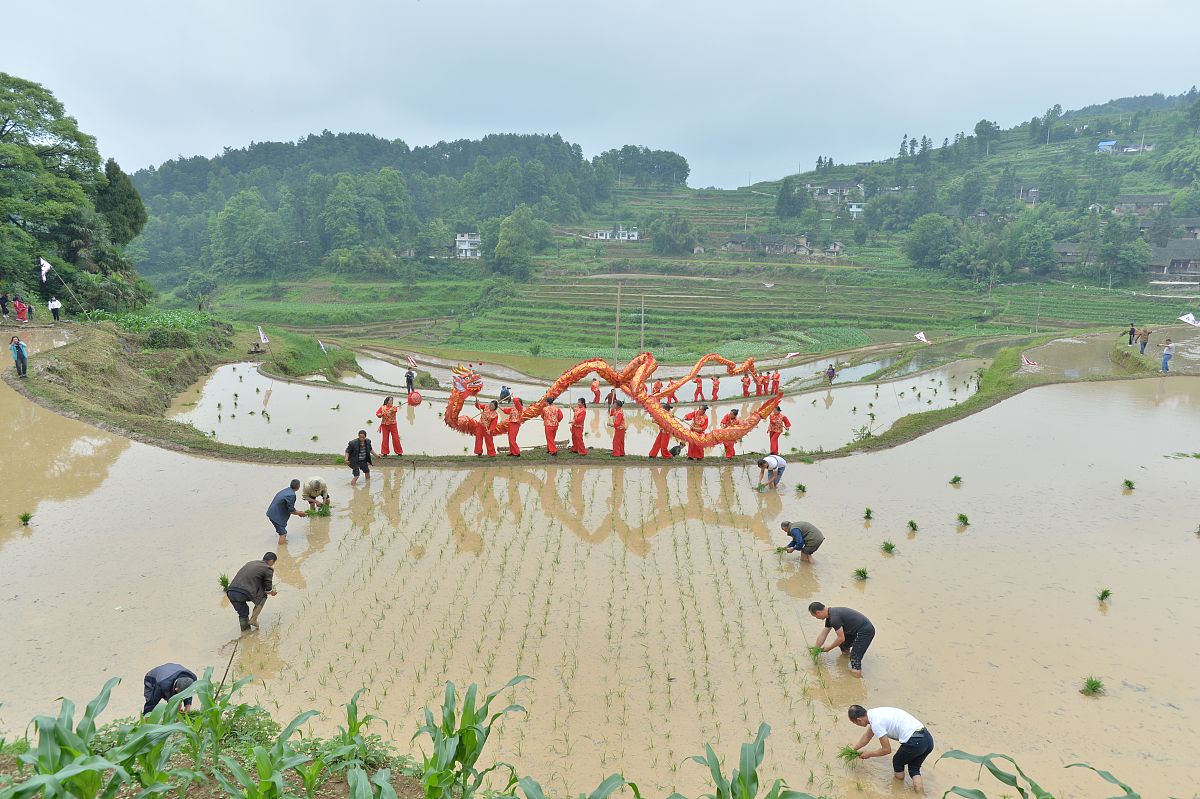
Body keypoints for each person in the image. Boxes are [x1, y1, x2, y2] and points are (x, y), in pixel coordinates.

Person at [846, 705, 934, 796]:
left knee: (897, 763)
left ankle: (898, 793)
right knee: (914, 769)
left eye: (855, 723)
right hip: (927, 739)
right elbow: (866, 737)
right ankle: (920, 795)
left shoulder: (876, 723)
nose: (857, 725)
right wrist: (853, 749)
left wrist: (869, 754)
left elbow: (886, 750)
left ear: (859, 720)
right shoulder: (874, 714)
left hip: (915, 741)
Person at [809, 602, 875, 677]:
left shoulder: (834, 618)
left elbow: (841, 638)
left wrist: (829, 648)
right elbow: (823, 634)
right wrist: (816, 648)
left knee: (855, 659)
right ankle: (845, 657)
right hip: (854, 630)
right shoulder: (830, 616)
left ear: (818, 613)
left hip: (865, 631)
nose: (816, 618)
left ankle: (856, 682)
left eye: (815, 616)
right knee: (843, 645)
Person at [226, 552, 278, 632]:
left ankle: (245, 634)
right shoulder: (268, 568)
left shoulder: (251, 563)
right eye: (273, 563)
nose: (272, 565)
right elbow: (268, 589)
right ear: (271, 561)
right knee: (263, 596)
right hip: (243, 593)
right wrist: (272, 592)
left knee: (243, 613)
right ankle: (253, 619)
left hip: (231, 592)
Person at [266, 479, 306, 545]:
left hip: (272, 512)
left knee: (283, 531)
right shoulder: (292, 495)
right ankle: (281, 552)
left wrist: (299, 513)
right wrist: (301, 513)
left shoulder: (286, 490)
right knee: (283, 534)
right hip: (275, 516)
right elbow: (291, 511)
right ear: (298, 487)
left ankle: (283, 546)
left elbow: (290, 508)